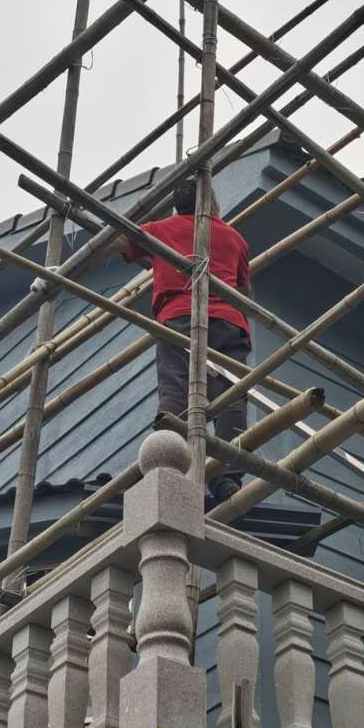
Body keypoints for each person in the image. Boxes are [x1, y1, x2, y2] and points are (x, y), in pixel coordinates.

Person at [112, 177, 253, 507]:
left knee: (177, 392)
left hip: (179, 317)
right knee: (232, 397)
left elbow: (117, 241)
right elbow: (244, 293)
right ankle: (228, 479)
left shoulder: (163, 229)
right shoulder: (235, 238)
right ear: (212, 204)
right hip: (229, 323)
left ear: (177, 206)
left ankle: (168, 469)